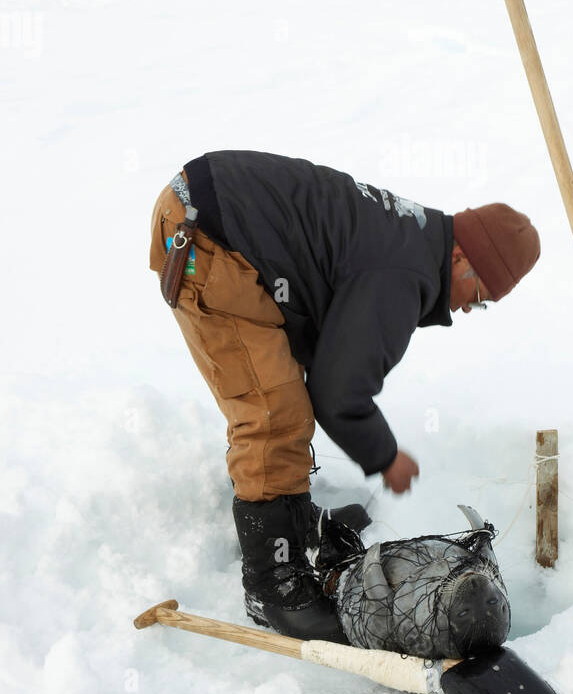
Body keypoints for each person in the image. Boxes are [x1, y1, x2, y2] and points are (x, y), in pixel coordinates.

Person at [149, 150, 540, 640]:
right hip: (205, 237)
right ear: (462, 258)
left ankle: (288, 527)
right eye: (480, 296)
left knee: (285, 388)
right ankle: (273, 586)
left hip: (218, 221)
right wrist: (386, 457)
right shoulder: (403, 277)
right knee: (272, 411)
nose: (469, 308)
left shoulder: (410, 239)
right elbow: (339, 392)